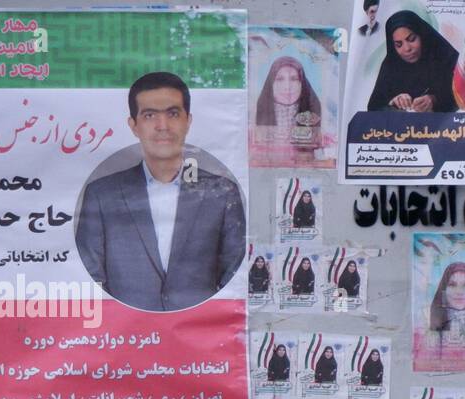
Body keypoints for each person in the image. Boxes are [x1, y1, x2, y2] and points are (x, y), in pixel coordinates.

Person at [75, 72, 245, 312]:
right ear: (133, 125)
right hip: (126, 335)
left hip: (199, 333)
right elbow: (88, 277)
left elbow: (235, 273)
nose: (162, 126)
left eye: (173, 114)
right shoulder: (102, 195)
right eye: (149, 115)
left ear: (188, 120)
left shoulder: (222, 192)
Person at [368, 11, 459, 114]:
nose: (407, 49)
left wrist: (434, 99)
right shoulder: (391, 65)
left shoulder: (444, 56)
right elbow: (374, 108)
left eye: (412, 39)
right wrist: (393, 102)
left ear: (422, 35)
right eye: (399, 45)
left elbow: (463, 96)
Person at [253, 56, 323, 164]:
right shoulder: (257, 112)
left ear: (302, 83)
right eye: (280, 79)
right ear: (271, 83)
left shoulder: (314, 112)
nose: (287, 87)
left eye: (294, 79)